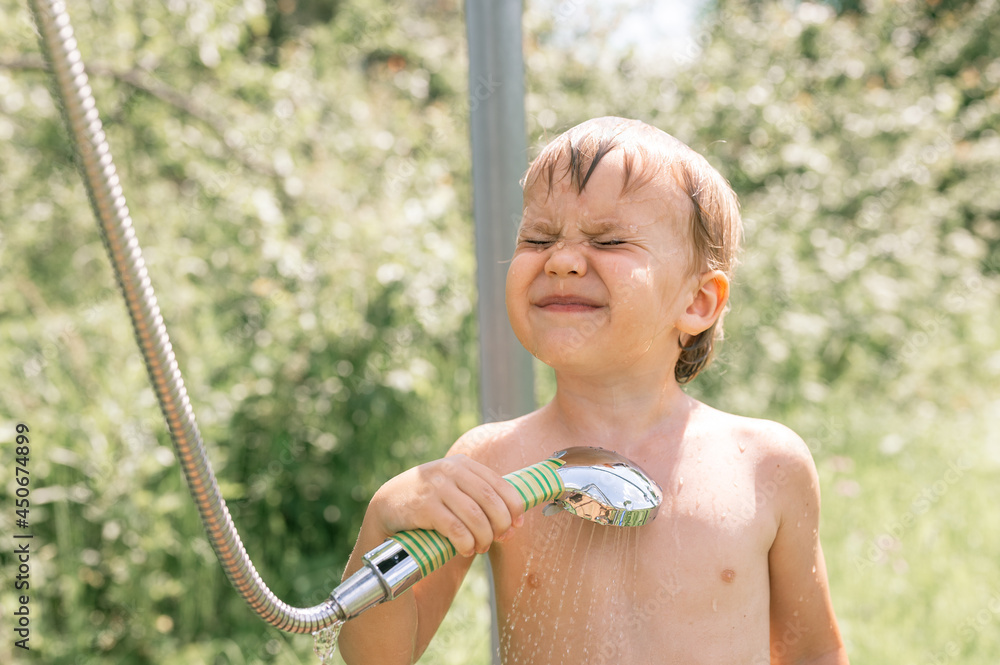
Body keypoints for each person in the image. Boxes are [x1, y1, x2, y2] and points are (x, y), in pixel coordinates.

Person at [337, 117, 848, 664]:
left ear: (697, 302)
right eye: (538, 239)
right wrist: (384, 518)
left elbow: (813, 653)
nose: (561, 260)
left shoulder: (765, 465)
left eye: (608, 241)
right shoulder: (493, 461)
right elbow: (377, 659)